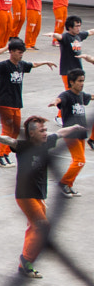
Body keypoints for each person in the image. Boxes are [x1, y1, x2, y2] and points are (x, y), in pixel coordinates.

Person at [0, 116, 85, 278]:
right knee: (42, 226)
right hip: (25, 195)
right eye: (42, 131)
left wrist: (74, 127)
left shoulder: (46, 142)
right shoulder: (24, 146)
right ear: (32, 134)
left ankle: (24, 264)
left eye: (45, 130)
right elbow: (11, 141)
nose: (46, 133)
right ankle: (26, 260)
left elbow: (60, 132)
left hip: (39, 194)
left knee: (34, 227)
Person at [0, 38, 56, 167]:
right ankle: (0, 155)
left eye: (22, 52)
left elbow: (33, 64)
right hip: (5, 102)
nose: (21, 54)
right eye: (18, 52)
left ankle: (6, 153)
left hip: (16, 102)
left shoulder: (21, 65)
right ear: (11, 52)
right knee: (7, 129)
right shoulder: (5, 65)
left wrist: (45, 62)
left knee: (15, 130)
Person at [49, 68, 89, 197]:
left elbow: (91, 97)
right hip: (71, 132)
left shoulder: (81, 95)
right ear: (71, 82)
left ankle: (69, 185)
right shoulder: (66, 95)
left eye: (83, 81)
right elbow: (59, 99)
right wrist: (55, 102)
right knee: (79, 160)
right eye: (79, 81)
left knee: (79, 161)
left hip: (81, 133)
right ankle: (64, 183)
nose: (82, 84)